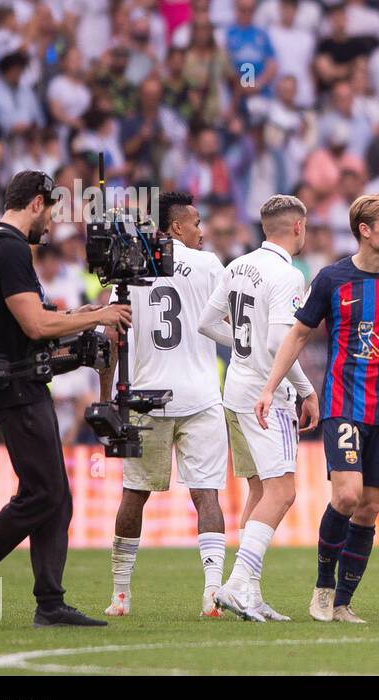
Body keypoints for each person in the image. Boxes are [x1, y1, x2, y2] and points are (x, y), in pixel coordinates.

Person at [0, 170, 132, 629]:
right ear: (37, 202)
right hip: (15, 387)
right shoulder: (10, 248)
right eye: (53, 210)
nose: (51, 225)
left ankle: (50, 604)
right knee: (43, 493)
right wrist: (98, 314)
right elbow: (35, 327)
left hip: (14, 383)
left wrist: (77, 315)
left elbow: (24, 319)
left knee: (55, 497)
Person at [256, 194, 379, 624]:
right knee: (345, 495)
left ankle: (343, 602)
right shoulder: (332, 279)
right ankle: (324, 587)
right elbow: (298, 335)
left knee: (368, 507)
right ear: (365, 230)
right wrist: (271, 387)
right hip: (344, 404)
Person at [97, 191, 230, 619]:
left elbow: (110, 342)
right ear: (175, 227)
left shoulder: (129, 271)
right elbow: (229, 322)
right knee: (206, 495)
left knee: (133, 495)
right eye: (195, 223)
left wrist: (107, 400)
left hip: (144, 397)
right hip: (201, 397)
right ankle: (212, 594)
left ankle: (120, 595)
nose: (201, 230)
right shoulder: (209, 266)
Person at [201, 194, 320, 622]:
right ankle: (236, 586)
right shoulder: (288, 275)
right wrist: (305, 388)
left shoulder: (238, 265)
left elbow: (206, 322)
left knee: (259, 489)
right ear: (297, 228)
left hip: (235, 388)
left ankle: (248, 591)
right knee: (283, 491)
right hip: (266, 397)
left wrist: (244, 349)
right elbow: (277, 343)